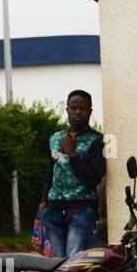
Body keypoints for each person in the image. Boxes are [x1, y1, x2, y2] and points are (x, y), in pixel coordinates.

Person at [36, 89, 107, 257]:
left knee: (72, 262)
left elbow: (92, 179)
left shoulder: (98, 141)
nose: (77, 112)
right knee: (58, 263)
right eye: (73, 108)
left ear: (90, 111)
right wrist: (44, 202)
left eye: (82, 108)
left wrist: (71, 151)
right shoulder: (55, 138)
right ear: (67, 110)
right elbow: (51, 171)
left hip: (82, 210)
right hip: (53, 210)